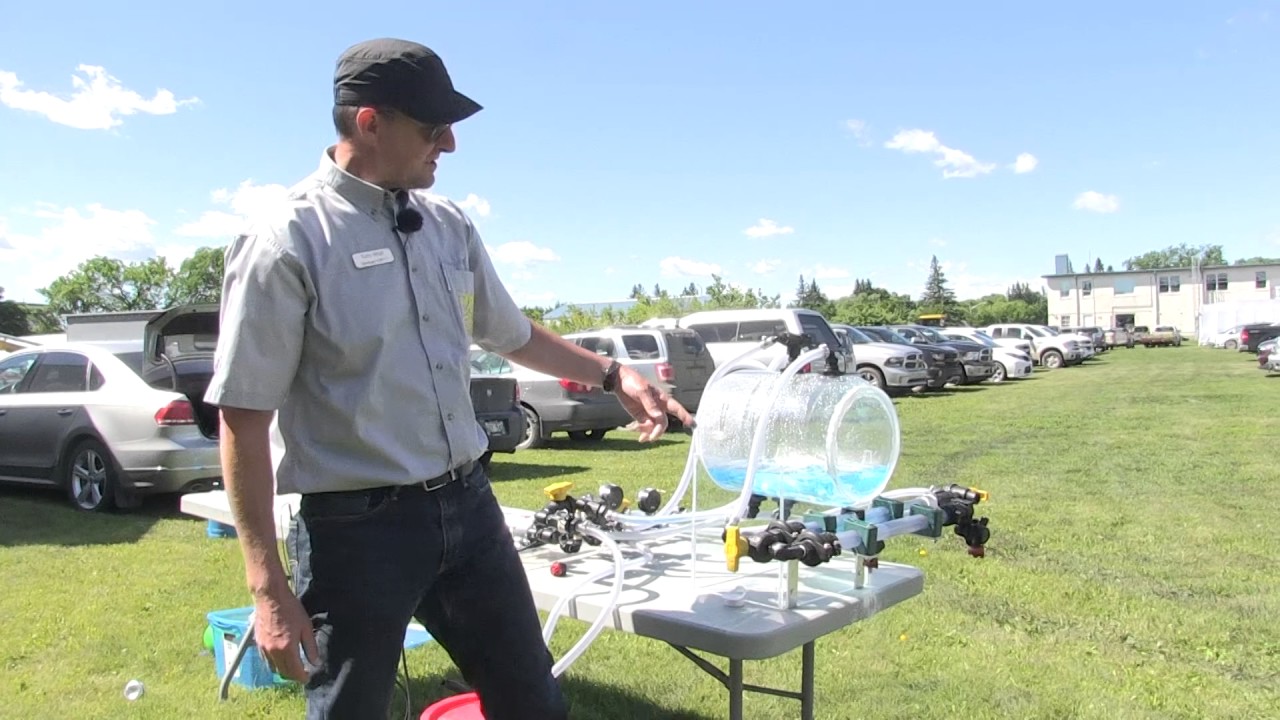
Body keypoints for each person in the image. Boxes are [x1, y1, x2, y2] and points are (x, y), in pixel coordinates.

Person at [204, 37, 694, 720]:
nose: (452, 144)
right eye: (433, 126)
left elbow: (512, 333)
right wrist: (266, 588)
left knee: (534, 703)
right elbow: (243, 416)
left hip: (468, 511)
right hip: (358, 533)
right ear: (370, 123)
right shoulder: (287, 241)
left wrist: (612, 373)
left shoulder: (445, 224)